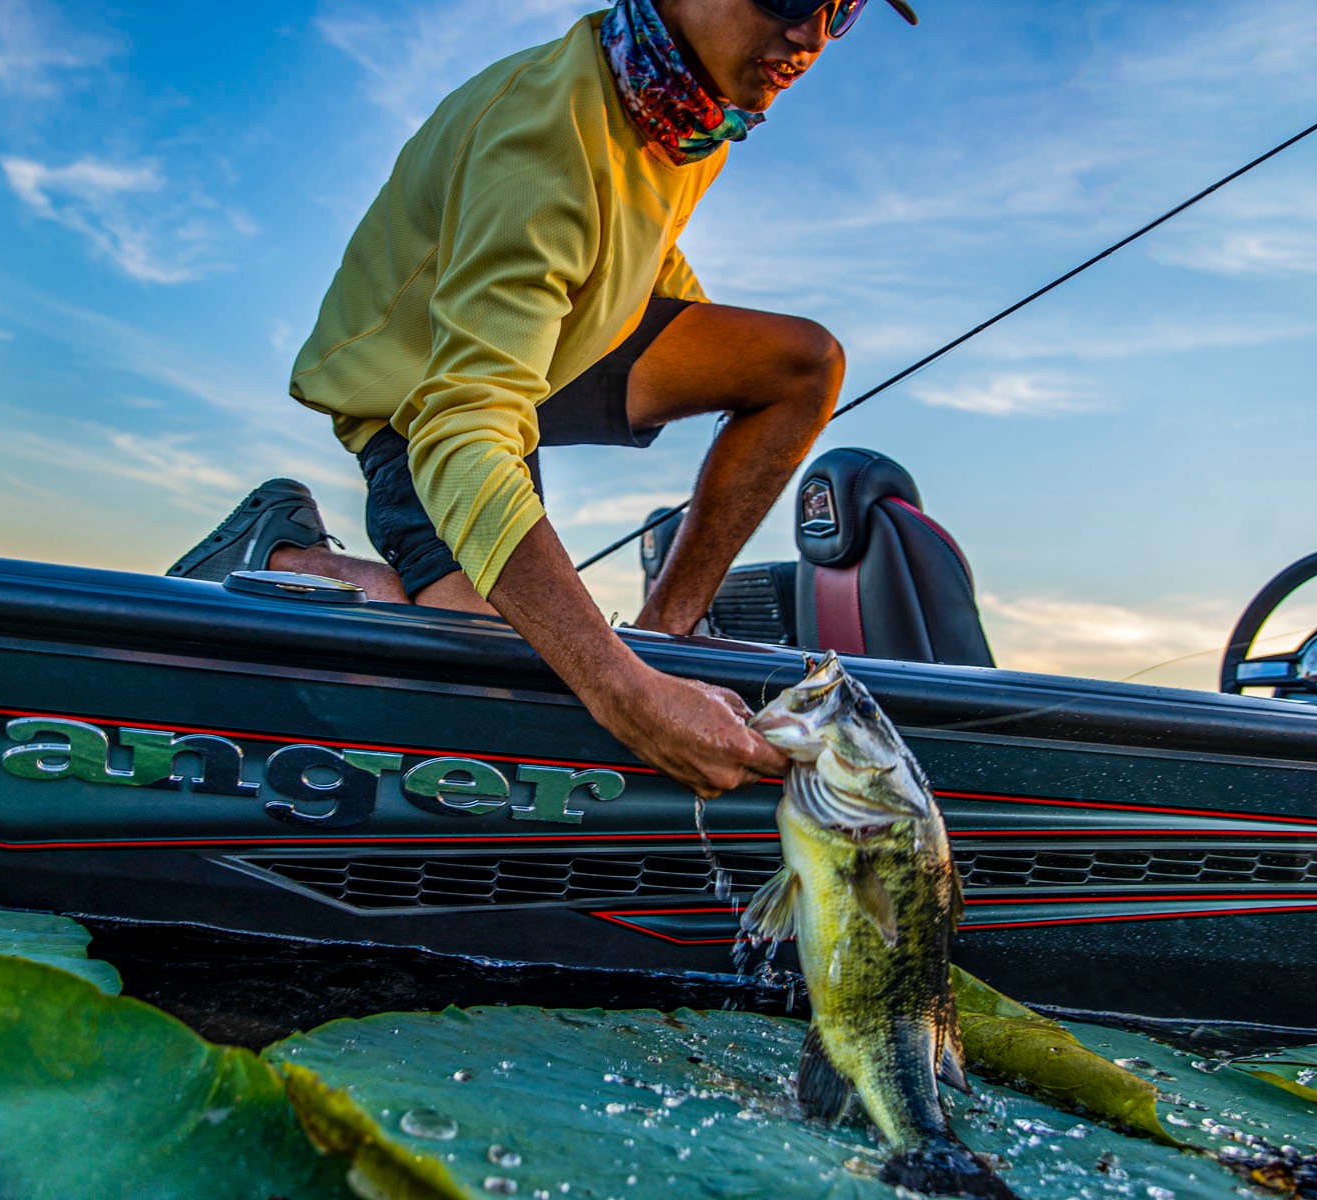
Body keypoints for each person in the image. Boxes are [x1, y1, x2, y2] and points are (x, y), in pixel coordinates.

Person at [170, 0, 917, 798]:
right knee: (513, 669)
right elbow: (460, 429)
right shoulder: (545, 137)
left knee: (800, 365)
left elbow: (637, 245)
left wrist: (650, 658)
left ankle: (669, 631)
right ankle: (282, 555)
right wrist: (623, 692)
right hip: (423, 385)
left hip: (551, 342)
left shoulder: (688, 115)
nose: (811, 35)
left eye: (844, 11)